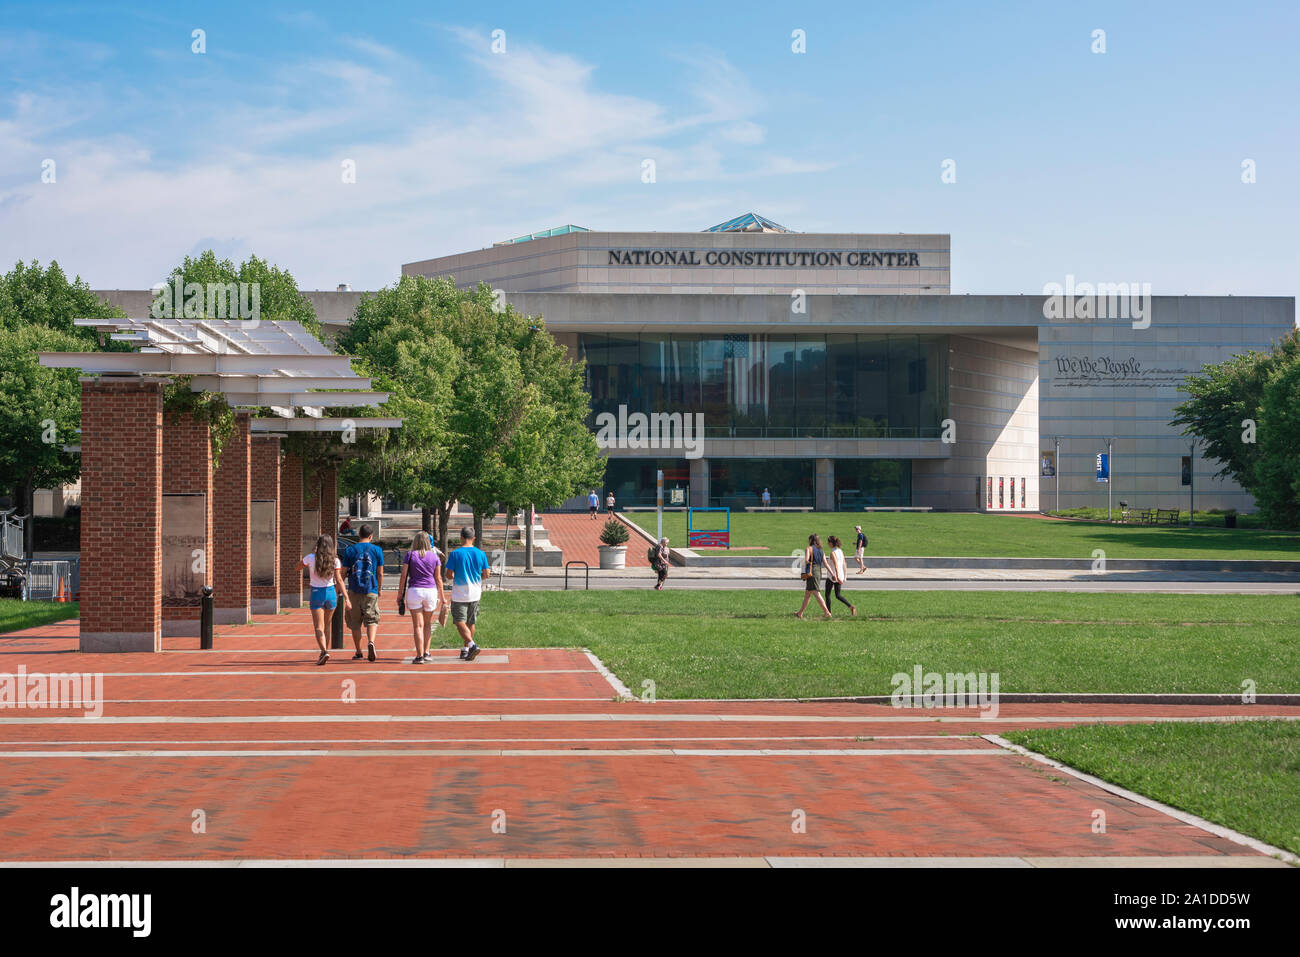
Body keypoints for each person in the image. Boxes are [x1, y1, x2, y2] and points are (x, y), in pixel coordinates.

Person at [397, 531, 446, 664]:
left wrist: (400, 594)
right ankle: (427, 652)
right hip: (430, 591)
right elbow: (438, 578)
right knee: (427, 624)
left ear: (416, 542)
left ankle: (419, 656)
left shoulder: (410, 555)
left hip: (414, 591)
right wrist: (442, 597)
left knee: (418, 625)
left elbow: (403, 576)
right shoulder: (434, 557)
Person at [444, 525, 491, 660]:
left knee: (459, 621)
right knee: (471, 622)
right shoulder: (481, 553)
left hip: (460, 593)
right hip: (475, 592)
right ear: (474, 538)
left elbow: (448, 574)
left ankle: (472, 645)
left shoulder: (455, 554)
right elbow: (486, 573)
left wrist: (455, 576)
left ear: (461, 538)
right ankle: (466, 649)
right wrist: (477, 578)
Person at [302, 534, 350, 666]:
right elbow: (339, 580)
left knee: (319, 626)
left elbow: (297, 567)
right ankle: (325, 651)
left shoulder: (311, 558)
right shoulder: (335, 560)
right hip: (331, 593)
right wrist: (347, 598)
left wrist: (310, 557)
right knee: (327, 625)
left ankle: (323, 651)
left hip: (317, 593)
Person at [340, 523, 384, 662]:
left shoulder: (350, 550)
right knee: (372, 618)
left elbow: (343, 572)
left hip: (354, 590)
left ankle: (358, 651)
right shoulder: (377, 550)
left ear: (359, 534)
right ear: (371, 536)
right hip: (371, 589)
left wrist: (340, 589)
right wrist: (380, 589)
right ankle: (371, 642)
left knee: (355, 622)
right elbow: (380, 573)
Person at [796, 533, 832, 620]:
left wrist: (804, 564)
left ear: (811, 540)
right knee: (807, 594)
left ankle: (827, 612)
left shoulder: (809, 548)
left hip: (811, 572)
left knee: (815, 592)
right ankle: (800, 613)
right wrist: (833, 573)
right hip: (818, 572)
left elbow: (806, 560)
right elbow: (826, 563)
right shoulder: (821, 551)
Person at [824, 535, 857, 616]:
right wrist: (845, 576)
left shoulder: (832, 553)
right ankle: (851, 607)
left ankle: (828, 613)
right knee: (837, 595)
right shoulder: (840, 551)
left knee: (827, 595)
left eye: (828, 542)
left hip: (833, 576)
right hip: (840, 575)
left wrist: (837, 576)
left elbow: (835, 564)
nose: (827, 543)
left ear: (831, 543)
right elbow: (844, 563)